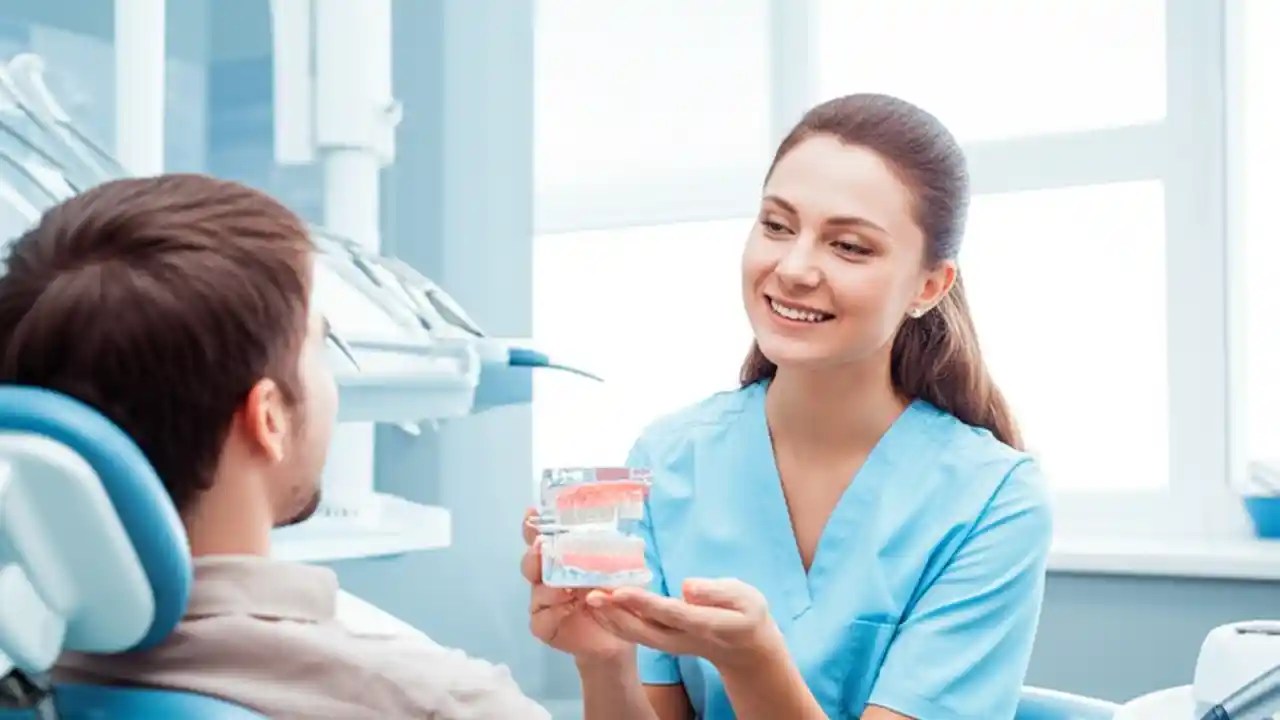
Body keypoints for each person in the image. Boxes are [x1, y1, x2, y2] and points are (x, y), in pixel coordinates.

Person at [522, 93, 1053, 720]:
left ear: (929, 285)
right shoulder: (667, 458)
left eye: (848, 246)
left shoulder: (995, 500)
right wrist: (605, 660)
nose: (795, 268)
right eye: (777, 226)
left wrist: (754, 664)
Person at [0, 174, 550, 719]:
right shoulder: (435, 704)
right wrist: (597, 666)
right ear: (269, 418)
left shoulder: (29, 673)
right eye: (321, 346)